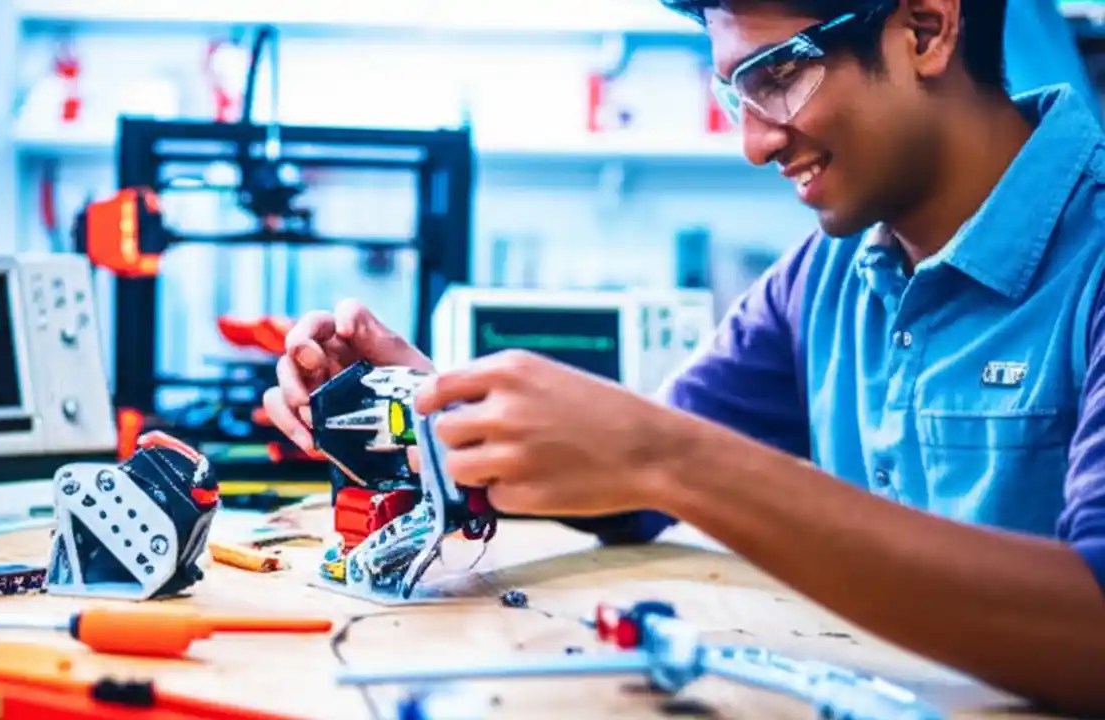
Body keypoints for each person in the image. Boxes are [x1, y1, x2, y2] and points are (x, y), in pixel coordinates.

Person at [264, 0, 1105, 714]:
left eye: (777, 77)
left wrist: (669, 457)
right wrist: (424, 400)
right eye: (733, 91)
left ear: (925, 28)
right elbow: (617, 483)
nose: (754, 142)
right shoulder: (826, 279)